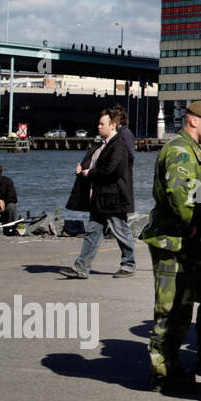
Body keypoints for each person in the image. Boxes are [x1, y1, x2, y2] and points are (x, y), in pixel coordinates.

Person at [138, 100, 201, 394]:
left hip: (181, 240)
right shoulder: (180, 152)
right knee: (170, 308)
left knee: (181, 308)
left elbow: (194, 195)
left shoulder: (191, 151)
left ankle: (170, 367)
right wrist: (194, 223)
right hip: (173, 241)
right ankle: (162, 373)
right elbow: (182, 198)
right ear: (193, 121)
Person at [62, 107, 136, 279]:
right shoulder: (101, 145)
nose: (98, 126)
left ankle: (128, 264)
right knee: (93, 233)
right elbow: (94, 164)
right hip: (100, 198)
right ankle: (81, 267)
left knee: (120, 231)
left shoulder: (118, 145)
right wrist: (82, 168)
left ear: (113, 126)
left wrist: (91, 173)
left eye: (102, 124)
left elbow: (113, 171)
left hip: (113, 198)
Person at [0, 163, 15, 232]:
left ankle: (10, 228)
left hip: (5, 205)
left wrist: (3, 201)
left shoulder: (7, 181)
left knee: (11, 205)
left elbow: (13, 198)